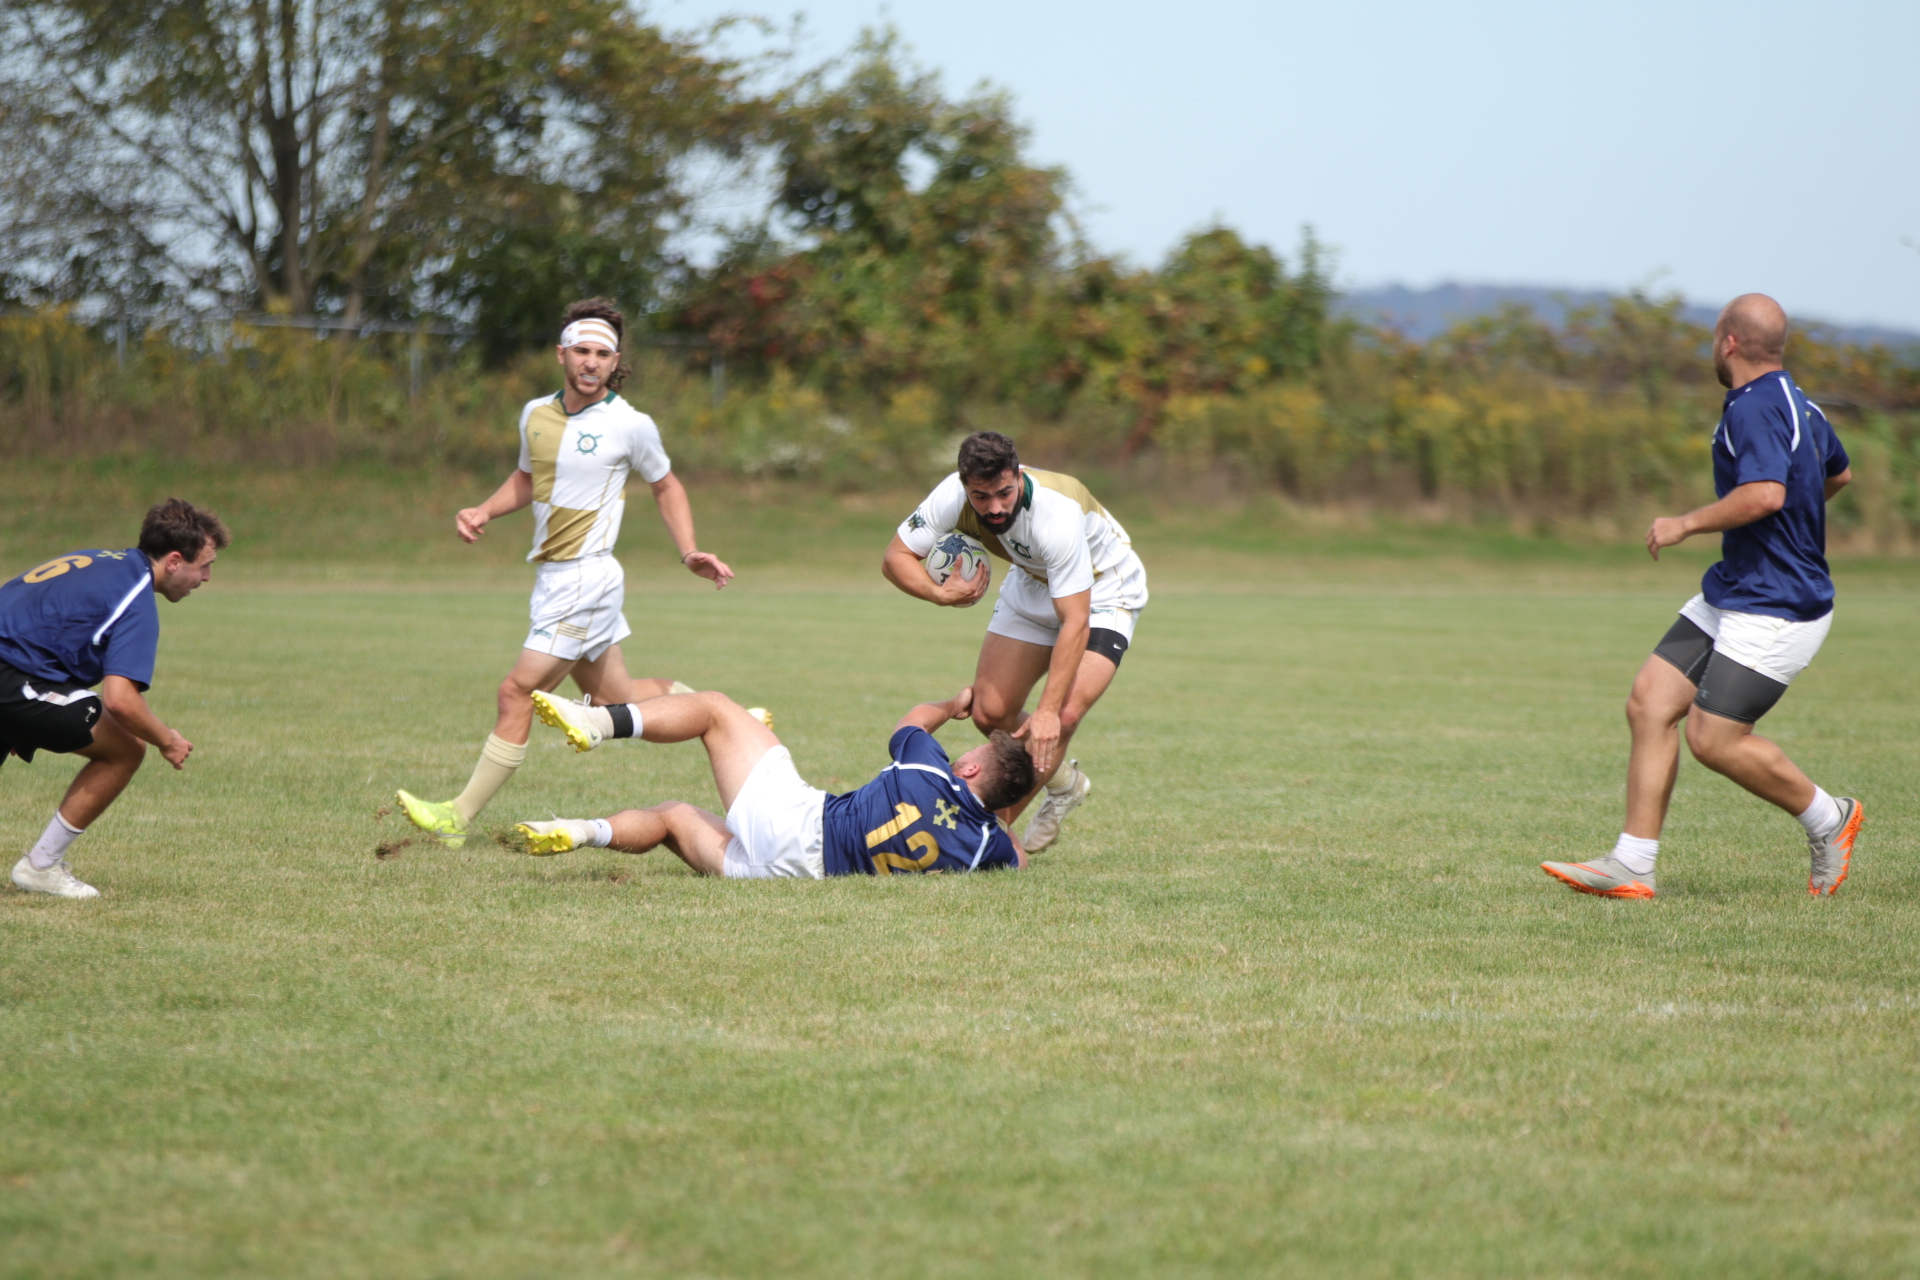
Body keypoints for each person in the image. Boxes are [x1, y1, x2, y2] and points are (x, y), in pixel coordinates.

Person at [1543, 294, 1861, 900]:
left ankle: (1830, 818)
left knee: (1714, 740)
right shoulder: (1800, 404)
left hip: (1777, 606)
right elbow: (1838, 474)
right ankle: (1632, 865)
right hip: (1737, 591)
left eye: (1714, 336)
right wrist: (1793, 521)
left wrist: (1686, 522)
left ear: (1729, 343)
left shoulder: (1756, 407)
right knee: (1649, 702)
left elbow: (1766, 493)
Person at [395, 298, 734, 849]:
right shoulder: (536, 414)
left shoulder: (630, 424)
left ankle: (456, 817)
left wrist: (689, 550)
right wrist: (484, 510)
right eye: (582, 350)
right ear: (562, 354)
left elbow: (666, 485)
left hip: (586, 577)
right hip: (554, 576)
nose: (591, 361)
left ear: (615, 360)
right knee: (617, 695)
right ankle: (732, 716)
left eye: (603, 353)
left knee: (516, 693)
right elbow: (530, 477)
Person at [880, 431, 1147, 852]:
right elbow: (895, 558)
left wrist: (1047, 711)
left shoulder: (1055, 514)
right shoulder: (951, 495)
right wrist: (940, 594)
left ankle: (991, 839)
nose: (995, 507)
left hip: (1103, 591)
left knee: (1064, 714)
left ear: (1018, 475)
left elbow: (1075, 622)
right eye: (981, 496)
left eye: (1004, 492)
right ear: (965, 485)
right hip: (1033, 581)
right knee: (991, 713)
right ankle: (1063, 782)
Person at [514, 685, 1032, 878]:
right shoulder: (984, 847)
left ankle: (597, 723)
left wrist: (953, 704)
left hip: (798, 824)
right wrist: (995, 815)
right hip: (783, 875)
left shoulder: (926, 768)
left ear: (967, 769)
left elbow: (912, 721)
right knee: (674, 817)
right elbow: (1020, 858)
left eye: (974, 752)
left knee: (714, 708)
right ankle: (581, 830)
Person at [0, 499, 229, 899]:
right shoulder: (136, 598)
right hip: (11, 676)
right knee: (125, 749)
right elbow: (121, 700)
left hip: (15, 673)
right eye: (204, 565)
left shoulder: (99, 559)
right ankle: (42, 866)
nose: (207, 577)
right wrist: (168, 740)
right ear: (174, 561)